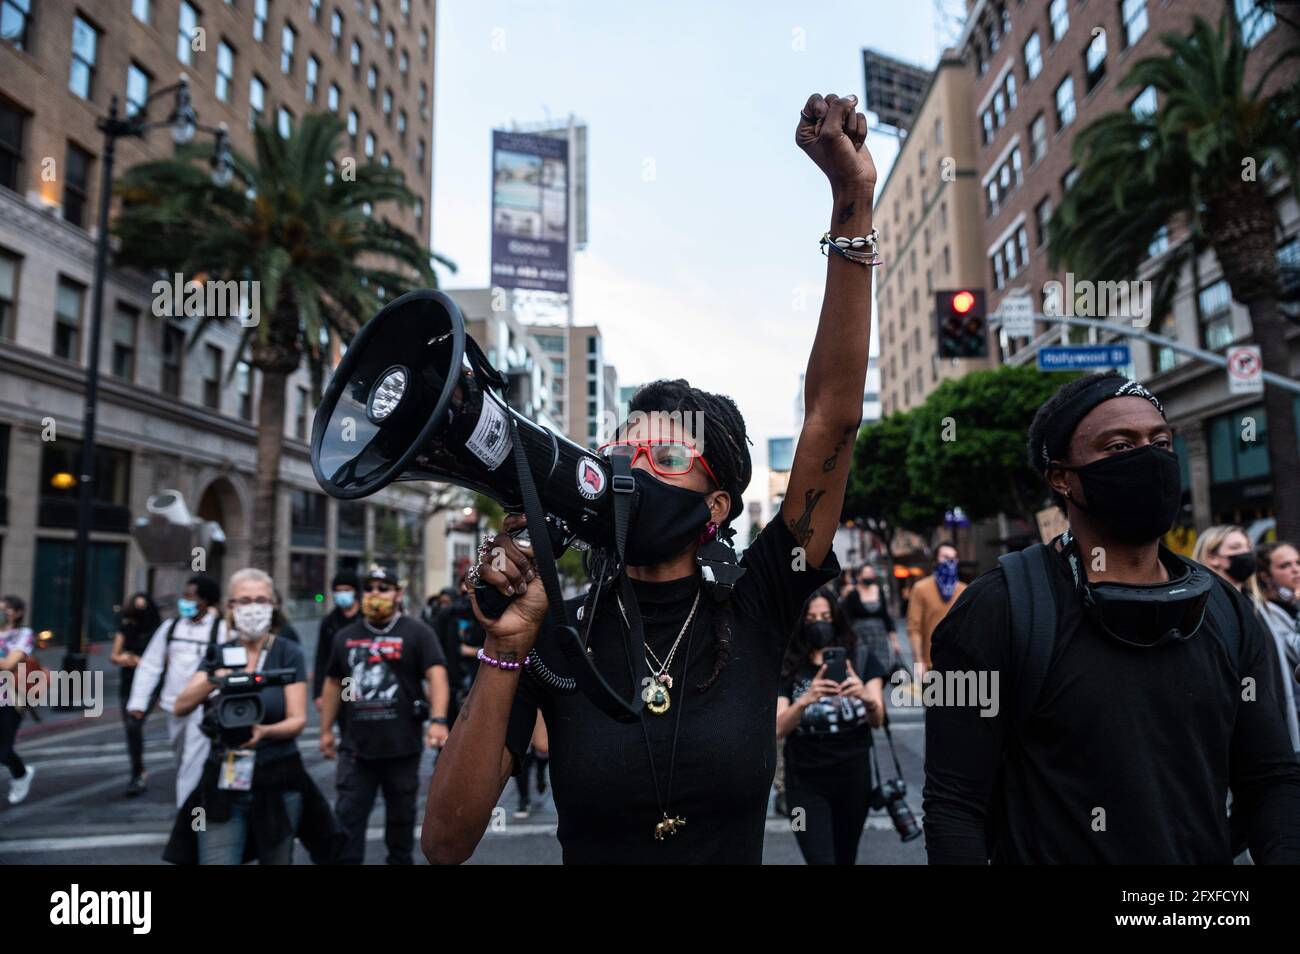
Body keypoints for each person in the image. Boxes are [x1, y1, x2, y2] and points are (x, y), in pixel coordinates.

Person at [422, 91, 873, 865]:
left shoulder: (758, 600)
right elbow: (445, 841)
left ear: (717, 506)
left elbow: (831, 416)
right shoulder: (554, 632)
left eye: (665, 460)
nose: (630, 472)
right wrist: (506, 647)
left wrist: (851, 203)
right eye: (620, 453)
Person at [923, 371, 1300, 864]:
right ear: (1061, 477)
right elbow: (954, 805)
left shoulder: (1224, 609)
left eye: (1160, 443)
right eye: (1119, 446)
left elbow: (1270, 778)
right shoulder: (996, 609)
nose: (1149, 458)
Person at [165, 568, 337, 864]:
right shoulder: (219, 653)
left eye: (261, 600)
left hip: (278, 776)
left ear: (273, 605)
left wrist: (264, 732)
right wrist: (215, 679)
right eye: (244, 601)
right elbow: (180, 706)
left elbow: (297, 720)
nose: (253, 608)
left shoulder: (288, 653)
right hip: (224, 778)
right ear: (230, 606)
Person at [319, 567, 450, 864]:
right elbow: (333, 683)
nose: (375, 594)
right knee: (347, 823)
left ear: (397, 594)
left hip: (402, 749)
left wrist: (439, 720)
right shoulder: (345, 637)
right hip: (356, 751)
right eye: (369, 589)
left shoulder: (417, 632)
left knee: (401, 825)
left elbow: (436, 674)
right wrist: (326, 730)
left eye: (383, 588)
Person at [776, 587, 886, 865]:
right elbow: (778, 728)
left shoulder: (861, 658)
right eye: (812, 618)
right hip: (805, 783)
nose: (820, 624)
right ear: (801, 621)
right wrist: (806, 699)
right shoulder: (788, 663)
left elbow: (877, 720)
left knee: (845, 858)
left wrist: (865, 697)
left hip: (853, 781)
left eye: (826, 616)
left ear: (836, 618)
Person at [127, 575, 227, 807]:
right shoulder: (170, 628)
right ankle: (196, 802)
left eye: (190, 596)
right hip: (174, 706)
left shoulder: (220, 630)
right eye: (184, 595)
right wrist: (138, 703)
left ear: (205, 601)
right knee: (182, 756)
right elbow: (151, 665)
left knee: (193, 759)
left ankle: (188, 812)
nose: (184, 601)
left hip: (203, 706)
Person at [110, 593, 162, 796]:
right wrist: (125, 659)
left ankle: (137, 774)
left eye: (143, 608)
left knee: (135, 724)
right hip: (128, 683)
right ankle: (137, 771)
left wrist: (144, 663)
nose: (139, 613)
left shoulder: (158, 631)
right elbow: (114, 655)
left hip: (149, 684)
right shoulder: (126, 628)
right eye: (136, 608)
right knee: (131, 730)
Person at [1254, 542, 1300, 753]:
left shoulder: (1292, 603)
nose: (1295, 569)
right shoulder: (1267, 614)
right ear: (1266, 576)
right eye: (1285, 565)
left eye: (1298, 562)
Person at [906, 542, 964, 681]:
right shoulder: (921, 588)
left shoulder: (965, 590)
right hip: (931, 665)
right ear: (935, 560)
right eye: (945, 557)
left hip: (960, 666)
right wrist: (918, 661)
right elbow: (914, 628)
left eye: (953, 558)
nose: (950, 562)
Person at [0, 595, 37, 805]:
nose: (2, 614)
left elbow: (8, 664)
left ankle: (21, 774)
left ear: (18, 613)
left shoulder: (24, 634)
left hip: (12, 698)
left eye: (6, 611)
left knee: (4, 751)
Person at [312, 572, 360, 708]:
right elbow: (322, 657)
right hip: (339, 680)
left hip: (360, 677)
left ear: (355, 591)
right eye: (338, 591)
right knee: (343, 714)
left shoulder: (365, 619)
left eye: (347, 590)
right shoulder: (329, 622)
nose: (342, 594)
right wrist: (318, 693)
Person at [841, 563, 901, 672]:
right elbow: (846, 617)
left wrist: (894, 641)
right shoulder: (852, 594)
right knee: (862, 666)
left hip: (879, 639)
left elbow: (886, 617)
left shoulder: (879, 592)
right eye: (866, 573)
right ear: (859, 576)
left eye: (871, 573)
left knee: (882, 667)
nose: (869, 576)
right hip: (860, 638)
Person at [1192, 524, 1256, 590]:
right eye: (1235, 547)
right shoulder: (1206, 596)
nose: (1246, 551)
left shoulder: (1250, 595)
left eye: (1249, 547)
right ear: (1212, 557)